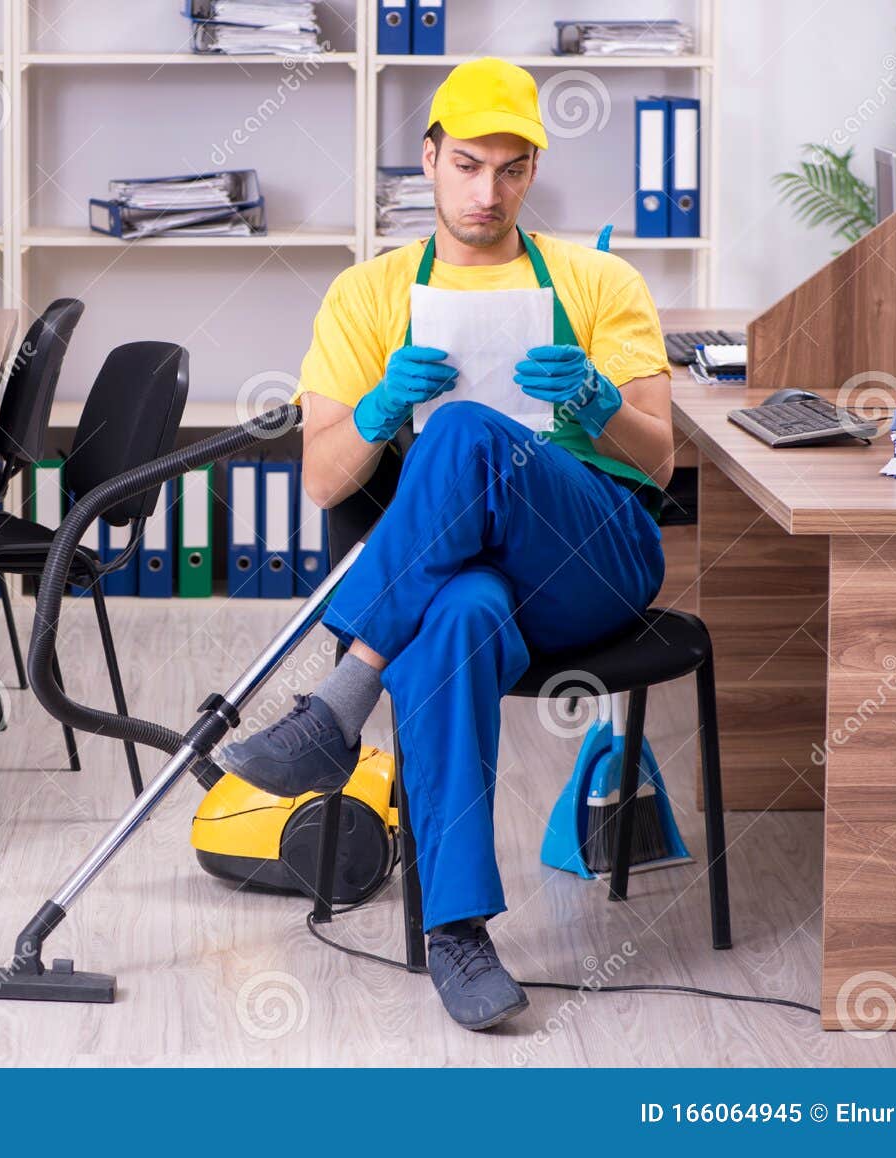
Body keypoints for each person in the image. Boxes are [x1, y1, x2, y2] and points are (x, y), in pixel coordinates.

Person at [219, 57, 674, 1032]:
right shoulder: (369, 294)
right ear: (427, 158)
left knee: (465, 433)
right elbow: (323, 480)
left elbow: (661, 460)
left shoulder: (598, 280)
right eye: (467, 164)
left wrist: (595, 404)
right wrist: (382, 405)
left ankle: (339, 698)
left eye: (510, 170)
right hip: (473, 579)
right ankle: (458, 936)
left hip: (596, 558)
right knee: (455, 616)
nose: (486, 191)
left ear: (533, 170)